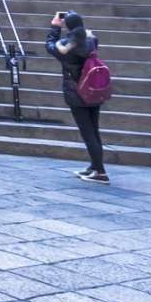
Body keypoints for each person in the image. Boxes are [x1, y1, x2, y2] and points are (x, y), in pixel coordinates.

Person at [47, 10, 108, 183]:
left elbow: (50, 46)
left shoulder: (66, 46)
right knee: (94, 131)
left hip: (76, 92)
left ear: (68, 26)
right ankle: (95, 166)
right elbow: (85, 37)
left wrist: (55, 27)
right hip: (93, 88)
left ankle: (101, 172)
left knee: (88, 133)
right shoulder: (91, 40)